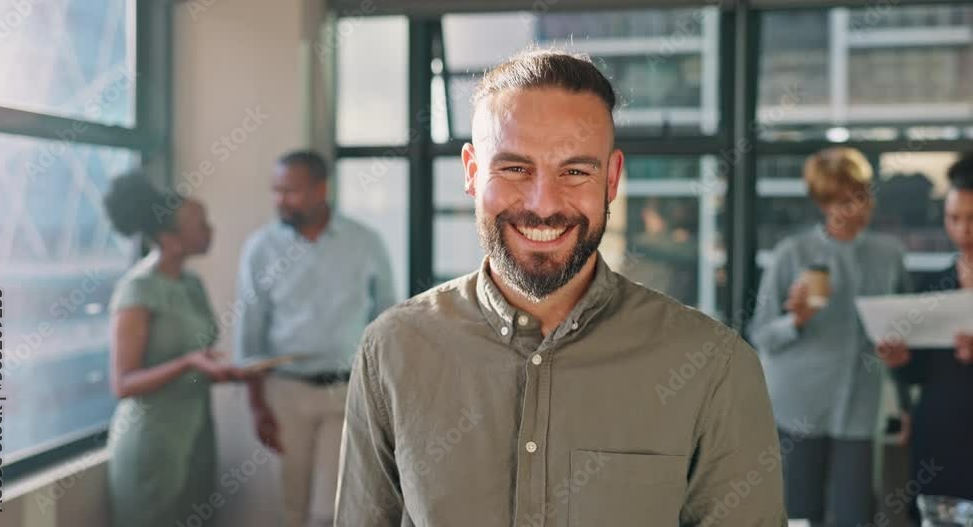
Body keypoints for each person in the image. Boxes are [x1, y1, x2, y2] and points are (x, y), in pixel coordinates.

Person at [336, 50, 786, 526]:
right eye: (514, 169)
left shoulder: (713, 366)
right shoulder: (392, 350)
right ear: (471, 171)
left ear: (611, 178)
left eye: (574, 171)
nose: (544, 204)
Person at [748, 147, 911, 527]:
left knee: (858, 514)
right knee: (801, 514)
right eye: (844, 200)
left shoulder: (890, 255)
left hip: (861, 405)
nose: (858, 208)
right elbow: (761, 334)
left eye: (863, 195)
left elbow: (904, 330)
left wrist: (903, 396)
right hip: (797, 405)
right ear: (824, 203)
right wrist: (796, 320)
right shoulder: (793, 253)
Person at [235, 150, 396, 527]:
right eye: (276, 191)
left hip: (347, 392)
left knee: (333, 510)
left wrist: (382, 393)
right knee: (291, 507)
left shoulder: (366, 242)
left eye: (290, 191)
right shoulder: (261, 248)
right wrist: (256, 404)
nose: (280, 200)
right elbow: (250, 329)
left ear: (321, 189)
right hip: (285, 394)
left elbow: (387, 317)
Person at [104, 172, 243, 527]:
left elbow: (197, 359)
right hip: (152, 443)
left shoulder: (191, 284)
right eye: (201, 224)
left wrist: (226, 373)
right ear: (171, 239)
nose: (211, 229)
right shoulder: (138, 289)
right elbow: (123, 383)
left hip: (195, 434)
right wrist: (187, 364)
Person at [891, 152, 973, 505]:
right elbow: (921, 372)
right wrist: (901, 360)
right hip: (941, 439)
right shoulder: (933, 285)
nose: (963, 230)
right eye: (953, 218)